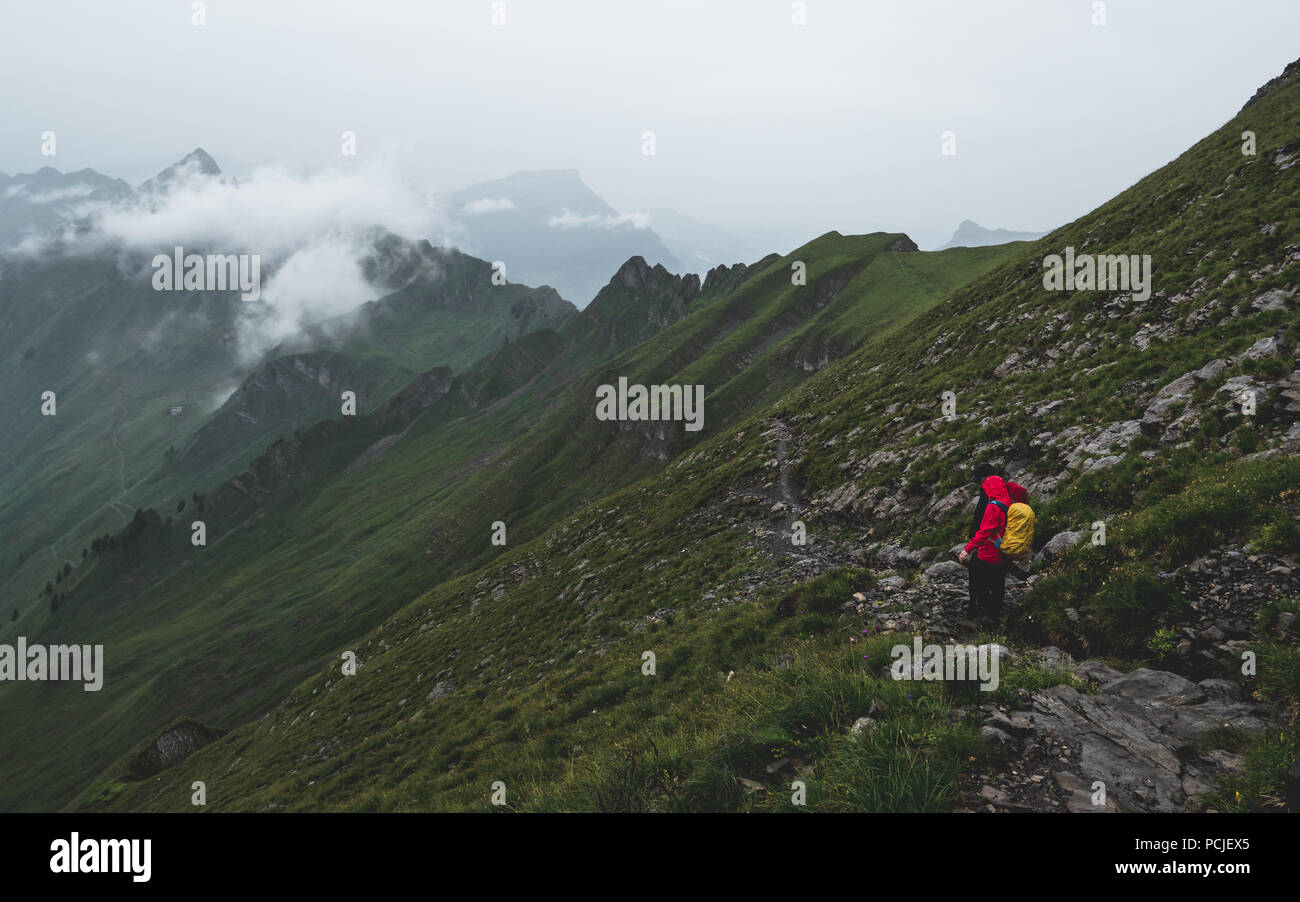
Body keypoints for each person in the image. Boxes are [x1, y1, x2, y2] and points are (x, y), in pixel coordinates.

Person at [959, 472, 1010, 627]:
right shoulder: (1008, 502)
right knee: (997, 585)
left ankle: (982, 619)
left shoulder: (992, 506)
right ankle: (994, 615)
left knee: (980, 585)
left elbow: (984, 532)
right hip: (1003, 552)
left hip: (988, 553)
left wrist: (967, 549)